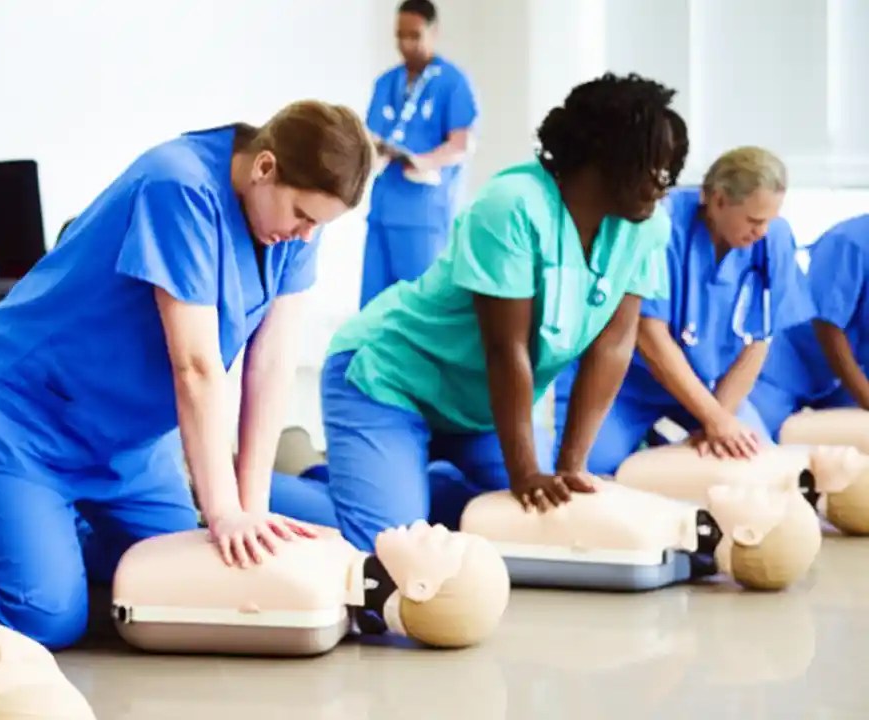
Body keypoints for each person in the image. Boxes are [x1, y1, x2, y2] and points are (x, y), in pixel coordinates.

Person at [0, 102, 374, 650]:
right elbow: (195, 366)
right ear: (265, 168)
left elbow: (270, 366)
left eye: (320, 225)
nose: (306, 236)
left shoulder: (290, 235)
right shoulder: (178, 186)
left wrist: (251, 512)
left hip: (124, 444)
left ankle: (19, 542)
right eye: (302, 215)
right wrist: (220, 510)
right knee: (46, 618)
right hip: (18, 416)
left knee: (175, 585)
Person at [268, 73, 689, 550]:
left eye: (668, 168)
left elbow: (613, 345)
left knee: (540, 522)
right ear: (607, 155)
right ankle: (243, 485)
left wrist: (570, 465)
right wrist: (527, 470)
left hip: (480, 412)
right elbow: (504, 348)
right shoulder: (512, 206)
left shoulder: (646, 226)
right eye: (652, 164)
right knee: (391, 544)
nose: (663, 182)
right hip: (389, 381)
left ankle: (373, 479)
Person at [553, 147, 815, 474]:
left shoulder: (773, 237)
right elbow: (649, 336)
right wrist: (715, 419)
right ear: (717, 200)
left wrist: (719, 419)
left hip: (707, 385)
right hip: (626, 384)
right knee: (588, 468)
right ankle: (650, 441)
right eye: (753, 220)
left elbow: (760, 337)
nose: (761, 232)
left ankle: (670, 442)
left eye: (769, 220)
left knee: (750, 459)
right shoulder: (660, 224)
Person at [360, 0, 478, 308]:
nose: (405, 44)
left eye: (414, 35)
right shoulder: (386, 82)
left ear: (434, 32)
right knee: (375, 307)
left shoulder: (452, 83)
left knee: (421, 306)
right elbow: (371, 138)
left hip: (423, 213)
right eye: (400, 35)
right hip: (383, 208)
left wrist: (422, 161)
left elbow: (461, 144)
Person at [749, 213, 869, 437]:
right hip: (785, 367)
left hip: (842, 384)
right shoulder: (849, 240)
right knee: (755, 442)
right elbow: (827, 327)